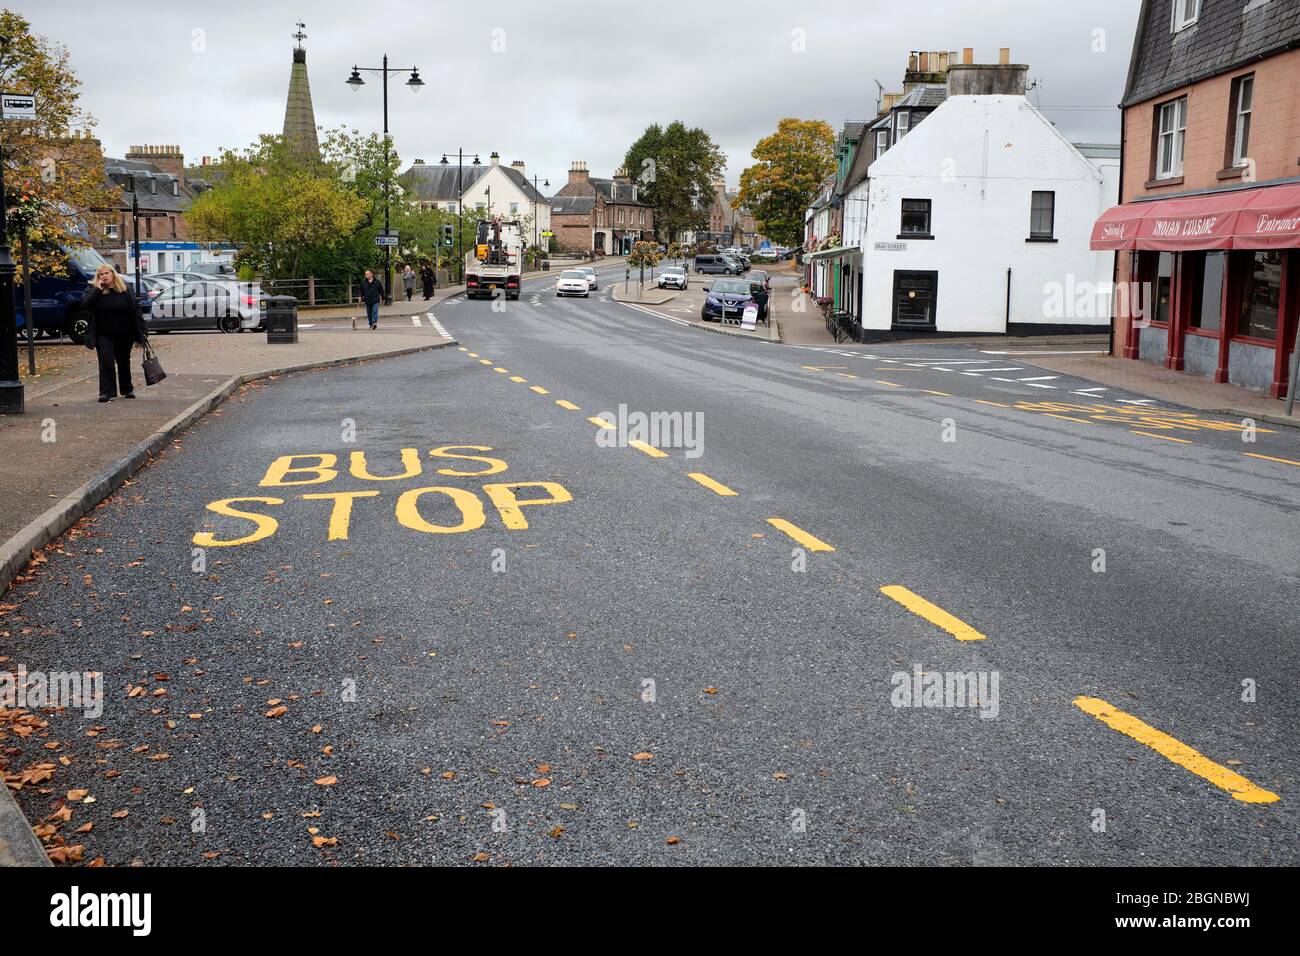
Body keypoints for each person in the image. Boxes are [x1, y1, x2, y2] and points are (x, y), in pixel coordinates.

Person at [80, 265, 149, 403]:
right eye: (101, 274)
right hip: (103, 333)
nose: (104, 276)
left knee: (123, 360)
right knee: (106, 361)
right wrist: (98, 290)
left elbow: (136, 310)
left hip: (125, 332)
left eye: (107, 273)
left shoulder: (126, 288)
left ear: (113, 274)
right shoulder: (93, 290)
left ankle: (127, 389)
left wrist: (143, 331)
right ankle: (106, 392)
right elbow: (84, 305)